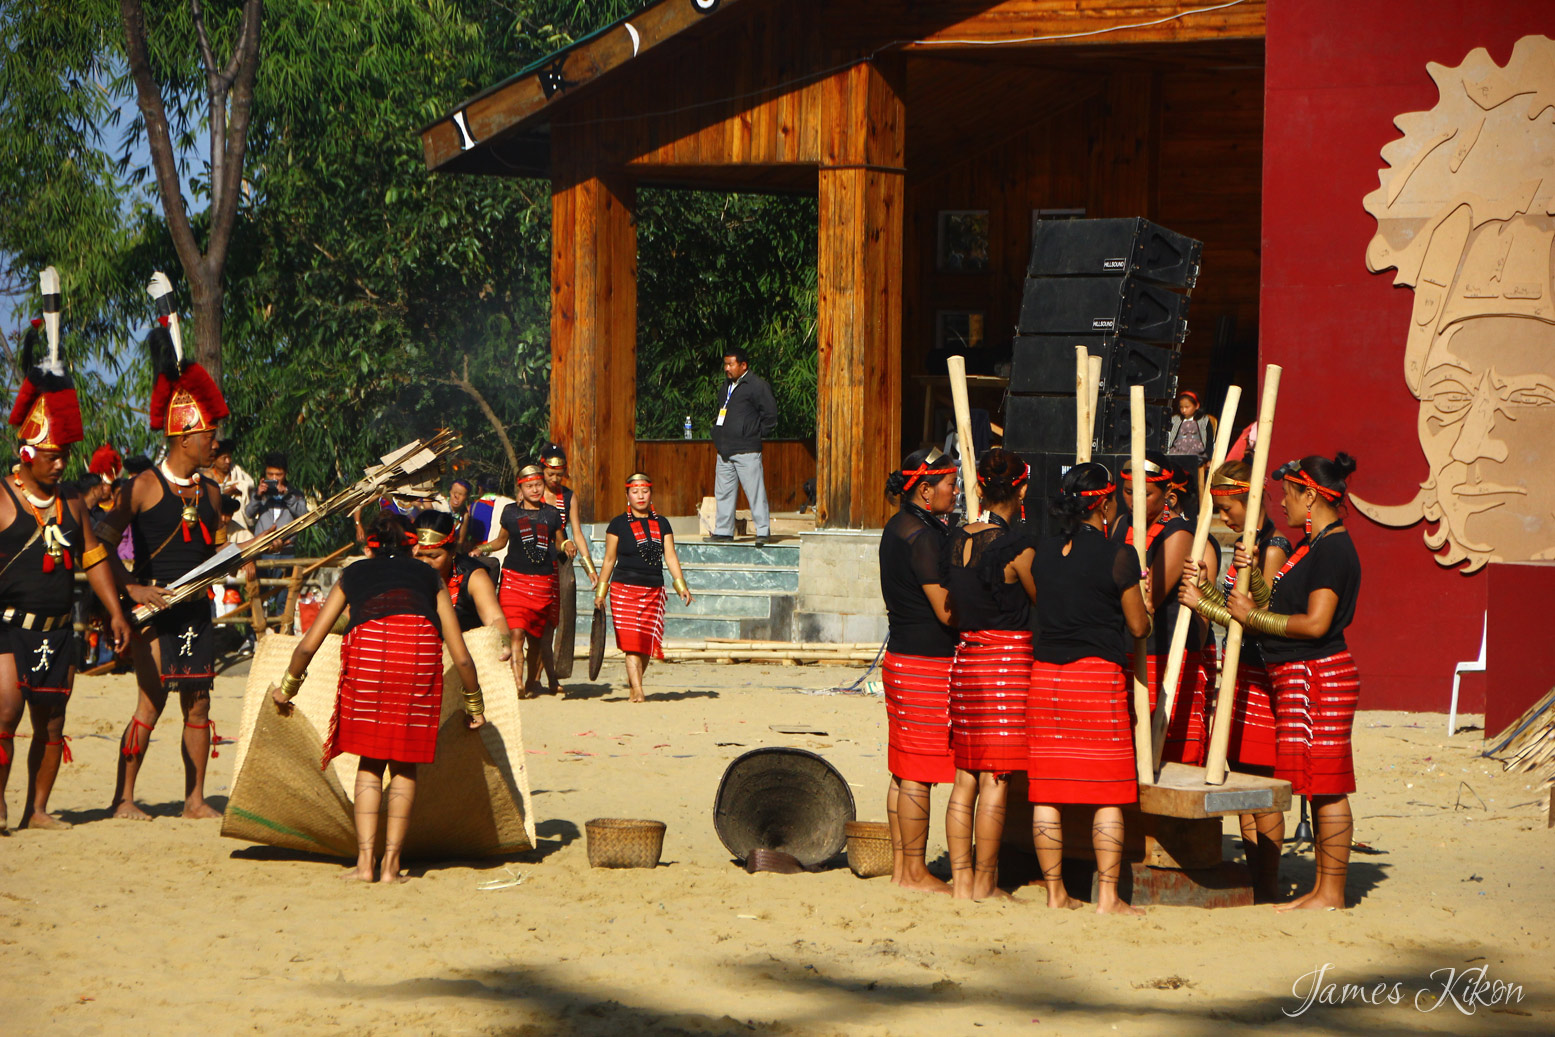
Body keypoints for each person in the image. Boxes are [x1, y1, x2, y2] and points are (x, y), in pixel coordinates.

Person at [271, 512, 485, 883]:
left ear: (368, 545)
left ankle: (365, 864)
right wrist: (474, 705)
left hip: (369, 660)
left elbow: (309, 644)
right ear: (411, 544)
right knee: (403, 766)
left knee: (370, 763)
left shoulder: (352, 575)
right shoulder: (430, 577)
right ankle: (391, 867)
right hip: (417, 661)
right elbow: (460, 654)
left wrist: (286, 688)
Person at [96, 290, 230, 821]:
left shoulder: (211, 489)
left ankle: (194, 799)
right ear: (184, 434)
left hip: (196, 609)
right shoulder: (142, 486)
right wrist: (130, 590)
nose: (215, 441)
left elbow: (219, 541)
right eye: (208, 433)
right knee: (150, 702)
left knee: (199, 702)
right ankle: (124, 798)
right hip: (153, 611)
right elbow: (99, 544)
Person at [0, 310, 133, 831]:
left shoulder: (75, 504)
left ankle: (37, 811)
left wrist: (116, 611)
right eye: (51, 456)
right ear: (27, 453)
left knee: (52, 725)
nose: (60, 464)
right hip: (9, 626)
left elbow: (95, 558)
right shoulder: (5, 500)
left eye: (64, 455)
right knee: (5, 717)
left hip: (58, 631)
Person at [1219, 453, 1362, 911]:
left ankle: (1332, 892)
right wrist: (1252, 573)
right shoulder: (1309, 545)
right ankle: (1322, 889)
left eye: (1288, 494)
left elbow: (1316, 624)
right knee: (1318, 783)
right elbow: (1274, 603)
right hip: (1302, 674)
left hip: (1320, 672)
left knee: (1328, 784)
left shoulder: (1334, 548)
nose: (1281, 504)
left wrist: (1253, 615)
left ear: (1312, 495)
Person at [1027, 462, 1152, 914]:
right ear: (1102, 503)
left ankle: (1055, 892)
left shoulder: (1043, 551)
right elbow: (1138, 625)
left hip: (1045, 679)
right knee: (1109, 791)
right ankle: (1107, 896)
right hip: (1096, 680)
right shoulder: (1119, 554)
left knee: (1047, 791)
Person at [1179, 459, 1292, 901]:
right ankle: (1255, 879)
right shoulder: (1247, 544)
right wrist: (1206, 588)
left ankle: (1268, 883)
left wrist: (1204, 605)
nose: (1224, 518)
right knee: (1241, 779)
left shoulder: (1274, 546)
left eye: (1229, 508)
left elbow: (1258, 620)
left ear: (1250, 499)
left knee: (1261, 783)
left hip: (1263, 672)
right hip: (1240, 670)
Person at [943, 449, 1036, 900]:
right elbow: (1044, 603)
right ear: (1020, 491)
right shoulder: (1016, 548)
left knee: (965, 776)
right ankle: (985, 881)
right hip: (1004, 668)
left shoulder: (957, 538)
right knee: (995, 778)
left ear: (980, 488)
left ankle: (961, 880)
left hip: (967, 663)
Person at [878, 447, 959, 894]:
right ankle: (914, 871)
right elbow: (946, 612)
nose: (956, 490)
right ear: (925, 491)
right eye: (949, 483)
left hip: (904, 658)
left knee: (905, 768)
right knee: (919, 772)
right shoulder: (922, 537)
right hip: (925, 663)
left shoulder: (899, 527)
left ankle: (902, 868)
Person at [1113, 453, 1216, 765]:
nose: (1134, 501)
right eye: (1128, 492)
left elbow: (1150, 598)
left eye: (1145, 494)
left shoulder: (1179, 533)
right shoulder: (1120, 524)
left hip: (1165, 653)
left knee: (1168, 754)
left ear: (1168, 496)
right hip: (1126, 649)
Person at [595, 473, 693, 703]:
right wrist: (601, 591)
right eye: (635, 491)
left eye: (645, 491)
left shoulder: (663, 523)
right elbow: (609, 560)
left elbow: (670, 556)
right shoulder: (617, 524)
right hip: (623, 589)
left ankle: (635, 685)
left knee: (646, 644)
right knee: (631, 643)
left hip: (653, 590)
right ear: (627, 495)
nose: (640, 496)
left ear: (651, 493)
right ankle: (638, 689)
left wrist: (681, 586)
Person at [474, 464, 565, 698]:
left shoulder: (552, 514)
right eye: (529, 486)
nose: (535, 490)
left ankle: (532, 680)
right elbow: (500, 541)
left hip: (543, 583)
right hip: (515, 581)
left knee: (537, 636)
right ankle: (517, 684)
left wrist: (568, 545)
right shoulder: (511, 513)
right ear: (520, 488)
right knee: (516, 633)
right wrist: (481, 549)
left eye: (538, 485)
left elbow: (559, 541)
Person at [539, 445, 598, 693]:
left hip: (563, 560)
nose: (555, 479)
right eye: (551, 474)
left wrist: (589, 567)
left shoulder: (568, 496)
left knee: (565, 614)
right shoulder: (532, 492)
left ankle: (556, 674)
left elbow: (578, 532)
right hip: (537, 559)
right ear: (542, 469)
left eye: (559, 475)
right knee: (541, 620)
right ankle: (533, 675)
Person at [709, 347, 778, 546]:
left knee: (754, 492)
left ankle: (762, 531)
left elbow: (770, 415)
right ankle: (723, 531)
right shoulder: (726, 386)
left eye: (731, 364)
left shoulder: (756, 386)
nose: (727, 368)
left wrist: (754, 433)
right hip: (725, 450)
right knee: (723, 492)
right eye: (725, 364)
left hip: (747, 449)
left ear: (743, 365)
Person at [411, 510, 508, 645]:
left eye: (433, 556)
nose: (425, 562)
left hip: (464, 653)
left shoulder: (474, 576)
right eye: (419, 555)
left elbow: (494, 618)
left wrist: (505, 643)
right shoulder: (404, 572)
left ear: (452, 552)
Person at [207, 438, 254, 528]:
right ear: (214, 460)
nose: (228, 461)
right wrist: (229, 491)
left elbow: (250, 483)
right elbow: (210, 500)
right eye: (224, 458)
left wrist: (241, 488)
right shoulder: (209, 476)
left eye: (229, 457)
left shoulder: (236, 471)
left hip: (239, 519)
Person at [1167, 390, 1216, 465]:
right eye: (1181, 407)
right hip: (1176, 453)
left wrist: (1209, 458)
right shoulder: (1175, 419)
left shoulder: (1204, 420)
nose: (1183, 410)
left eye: (1187, 407)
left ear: (1197, 406)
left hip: (1197, 455)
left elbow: (1209, 441)